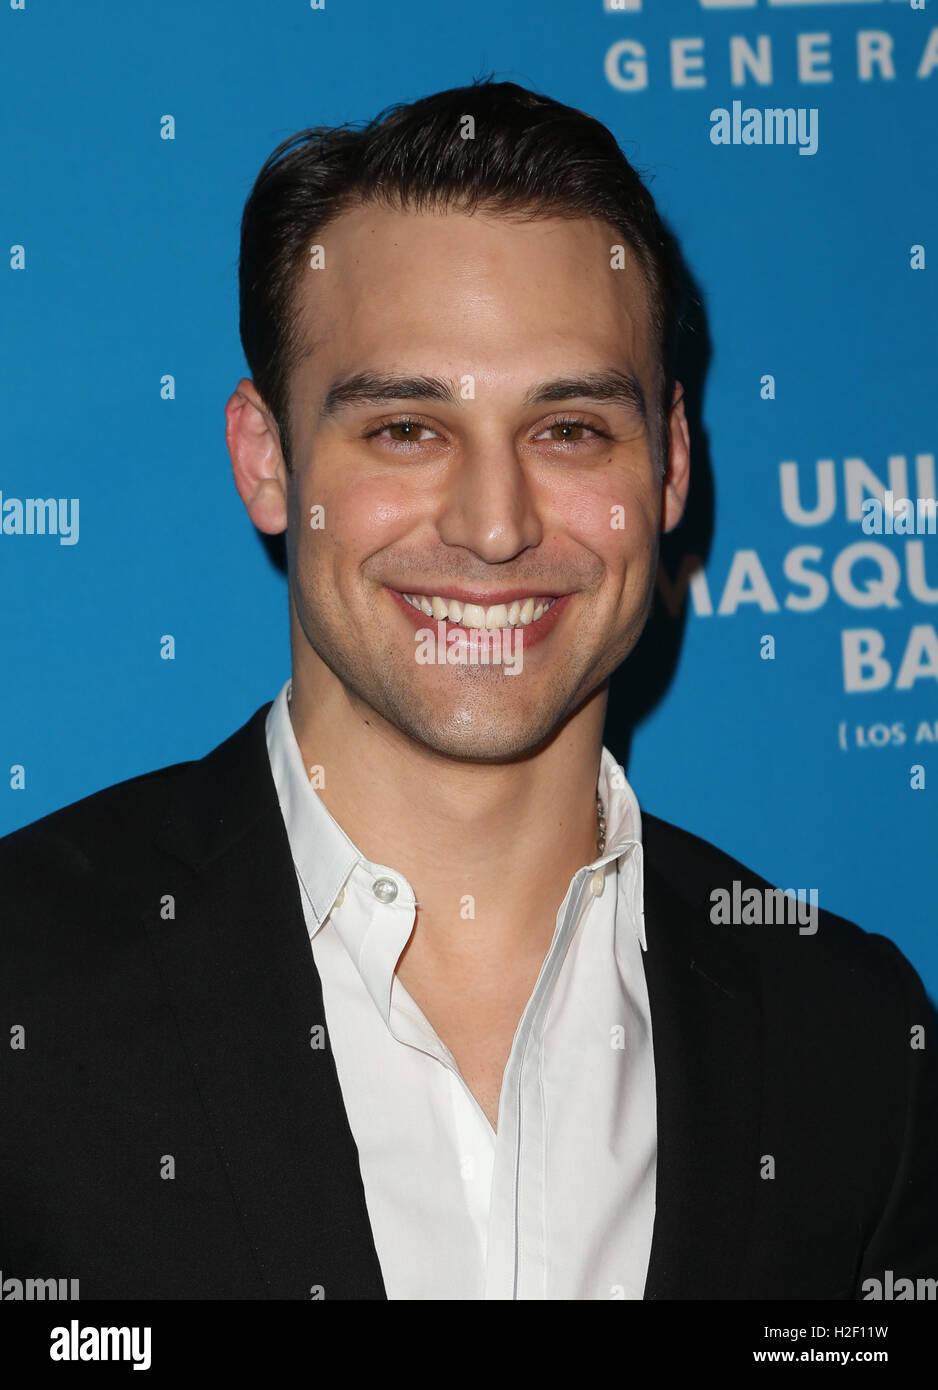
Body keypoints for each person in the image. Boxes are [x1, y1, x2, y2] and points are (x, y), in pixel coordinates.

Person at [1, 77, 935, 1302]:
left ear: (668, 466)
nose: (494, 527)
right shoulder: (25, 981)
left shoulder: (848, 1036)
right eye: (404, 429)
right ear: (266, 461)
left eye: (569, 430)